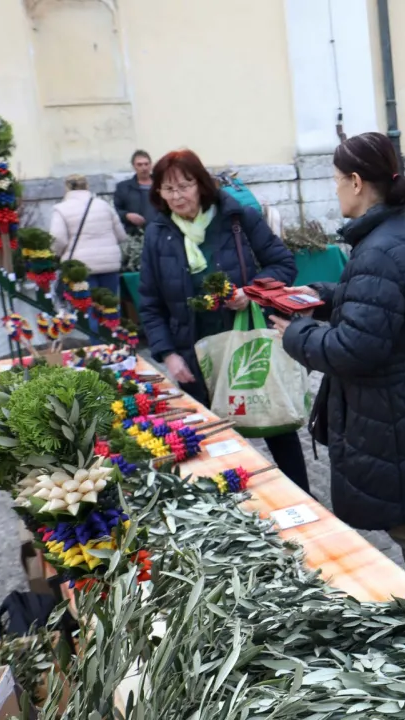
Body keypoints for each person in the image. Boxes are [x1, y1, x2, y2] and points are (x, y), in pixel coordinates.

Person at [271, 132, 405, 592]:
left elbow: (356, 348)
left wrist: (297, 333)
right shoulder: (403, 226)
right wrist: (326, 298)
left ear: (358, 182)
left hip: (392, 413)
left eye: (338, 180)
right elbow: (383, 307)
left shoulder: (379, 247)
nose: (335, 190)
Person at [138, 150, 310, 493]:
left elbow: (283, 265)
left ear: (201, 185)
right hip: (194, 356)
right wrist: (168, 354)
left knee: (275, 426)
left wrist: (250, 293)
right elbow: (150, 304)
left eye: (184, 186)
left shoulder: (237, 218)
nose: (177, 196)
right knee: (214, 443)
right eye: (168, 190)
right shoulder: (158, 234)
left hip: (247, 344)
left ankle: (305, 500)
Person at [50, 174, 126, 332]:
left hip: (81, 268)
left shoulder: (61, 209)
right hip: (109, 264)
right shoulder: (104, 205)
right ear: (87, 186)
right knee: (111, 309)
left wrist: (57, 255)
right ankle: (116, 347)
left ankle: (98, 348)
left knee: (91, 312)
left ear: (67, 188)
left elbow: (58, 239)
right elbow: (121, 235)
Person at [113, 150, 159, 234]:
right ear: (133, 166)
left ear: (151, 165)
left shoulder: (161, 185)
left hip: (160, 232)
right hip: (136, 234)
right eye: (139, 164)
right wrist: (127, 216)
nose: (144, 168)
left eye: (146, 164)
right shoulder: (124, 187)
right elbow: (115, 211)